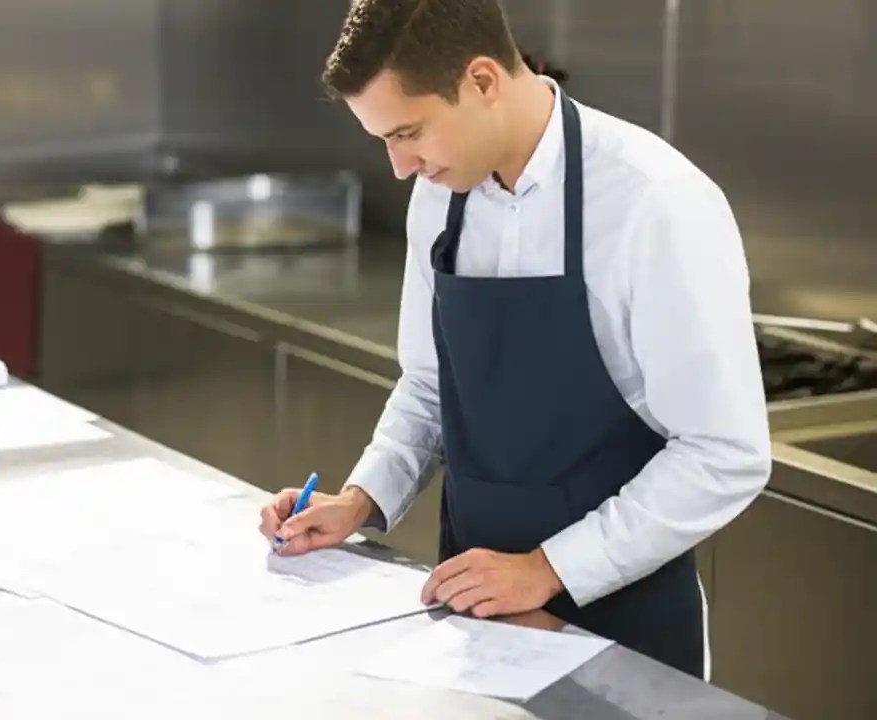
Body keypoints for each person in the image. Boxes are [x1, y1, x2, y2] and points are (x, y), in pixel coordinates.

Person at [258, 0, 771, 680]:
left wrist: (547, 569)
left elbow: (725, 453)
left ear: (483, 82)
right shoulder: (441, 191)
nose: (399, 167)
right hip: (477, 617)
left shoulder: (657, 203)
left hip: (627, 627)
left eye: (408, 132)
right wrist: (361, 498)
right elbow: (430, 384)